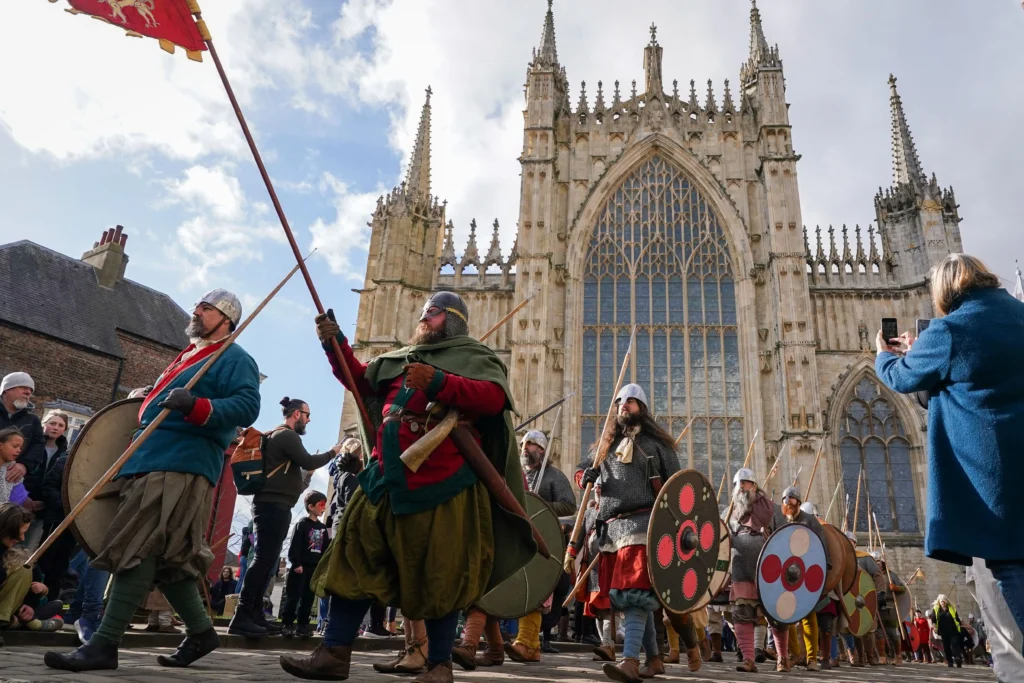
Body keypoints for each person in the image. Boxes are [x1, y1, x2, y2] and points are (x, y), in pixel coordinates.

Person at [280, 291, 536, 683]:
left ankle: (438, 665)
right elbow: (360, 379)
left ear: (451, 320)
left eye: (431, 313)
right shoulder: (401, 360)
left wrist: (439, 382)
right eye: (422, 312)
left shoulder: (473, 358)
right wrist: (335, 344)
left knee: (439, 574)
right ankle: (333, 653)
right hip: (385, 479)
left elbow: (493, 398)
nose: (423, 318)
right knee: (352, 559)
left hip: (443, 484)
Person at [43, 288, 261, 672]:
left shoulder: (234, 357)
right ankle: (200, 631)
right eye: (199, 305)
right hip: (149, 459)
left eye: (206, 308)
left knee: (137, 546)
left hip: (180, 463)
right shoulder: (188, 356)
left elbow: (247, 406)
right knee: (168, 560)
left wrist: (197, 405)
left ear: (226, 320)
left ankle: (105, 643)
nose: (197, 311)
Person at [875, 253, 1024, 640]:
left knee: (1010, 566)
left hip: (994, 476)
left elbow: (901, 377)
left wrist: (883, 354)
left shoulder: (950, 330)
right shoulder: (1019, 313)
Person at [573, 383, 686, 681]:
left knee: (635, 595)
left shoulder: (657, 446)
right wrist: (586, 476)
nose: (625, 405)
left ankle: (630, 661)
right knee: (631, 598)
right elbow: (580, 473)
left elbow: (678, 488)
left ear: (643, 409)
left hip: (645, 524)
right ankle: (654, 659)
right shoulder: (604, 446)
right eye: (621, 401)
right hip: (611, 530)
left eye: (632, 401)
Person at [229, 397, 341, 638]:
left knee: (267, 561)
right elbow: (309, 460)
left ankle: (256, 614)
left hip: (275, 505)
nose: (309, 419)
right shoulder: (286, 436)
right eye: (307, 414)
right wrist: (334, 451)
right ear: (296, 414)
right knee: (262, 561)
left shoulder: (277, 437)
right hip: (272, 505)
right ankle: (243, 614)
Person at [503, 429, 576, 663]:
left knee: (535, 591)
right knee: (527, 590)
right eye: (523, 444)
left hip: (546, 542)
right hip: (523, 542)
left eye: (531, 444)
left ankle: (525, 642)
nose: (525, 448)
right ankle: (532, 647)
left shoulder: (553, 475)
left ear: (542, 450)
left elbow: (568, 505)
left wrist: (541, 508)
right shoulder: (518, 475)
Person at [728, 467, 790, 673]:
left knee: (776, 616)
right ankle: (748, 659)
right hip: (741, 569)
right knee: (742, 614)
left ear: (754, 486)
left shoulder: (771, 509)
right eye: (738, 484)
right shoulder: (730, 514)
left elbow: (786, 538)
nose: (741, 488)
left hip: (769, 569)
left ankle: (782, 658)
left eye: (745, 483)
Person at [774, 487, 825, 671]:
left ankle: (812, 658)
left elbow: (820, 547)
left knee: (808, 615)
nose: (789, 503)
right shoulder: (779, 521)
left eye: (792, 500)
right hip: (784, 574)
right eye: (786, 500)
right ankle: (793, 655)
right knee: (786, 616)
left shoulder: (809, 520)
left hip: (806, 573)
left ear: (799, 502)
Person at [0, 504, 63, 641]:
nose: (22, 538)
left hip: (11, 607)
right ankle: (24, 623)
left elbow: (36, 578)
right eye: (20, 533)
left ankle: (17, 620)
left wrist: (30, 604)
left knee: (56, 604)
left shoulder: (17, 553)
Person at [0, 373, 46, 548]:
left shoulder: (32, 420)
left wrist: (23, 465)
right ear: (7, 389)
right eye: (23, 388)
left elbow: (38, 446)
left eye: (31, 390)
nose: (28, 393)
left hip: (13, 479)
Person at [35, 411, 75, 599]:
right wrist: (63, 506)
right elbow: (49, 485)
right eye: (53, 423)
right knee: (44, 560)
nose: (56, 428)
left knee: (60, 565)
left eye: (61, 425)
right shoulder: (65, 460)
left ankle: (49, 603)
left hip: (72, 523)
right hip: (55, 517)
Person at [281, 491, 328, 639]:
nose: (323, 508)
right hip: (300, 567)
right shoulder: (302, 524)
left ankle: (303, 625)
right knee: (294, 596)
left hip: (314, 568)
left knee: (308, 598)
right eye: (321, 504)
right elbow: (295, 545)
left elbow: (325, 549)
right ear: (311, 506)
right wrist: (296, 562)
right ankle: (287, 624)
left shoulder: (322, 528)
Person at [932, 594, 963, 667]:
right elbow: (933, 619)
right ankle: (950, 661)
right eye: (941, 601)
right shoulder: (936, 609)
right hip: (943, 631)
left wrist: (961, 624)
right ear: (939, 601)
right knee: (946, 646)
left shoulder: (951, 608)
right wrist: (934, 627)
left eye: (944, 600)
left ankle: (957, 658)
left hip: (953, 630)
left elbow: (957, 618)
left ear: (946, 601)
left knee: (954, 644)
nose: (942, 602)